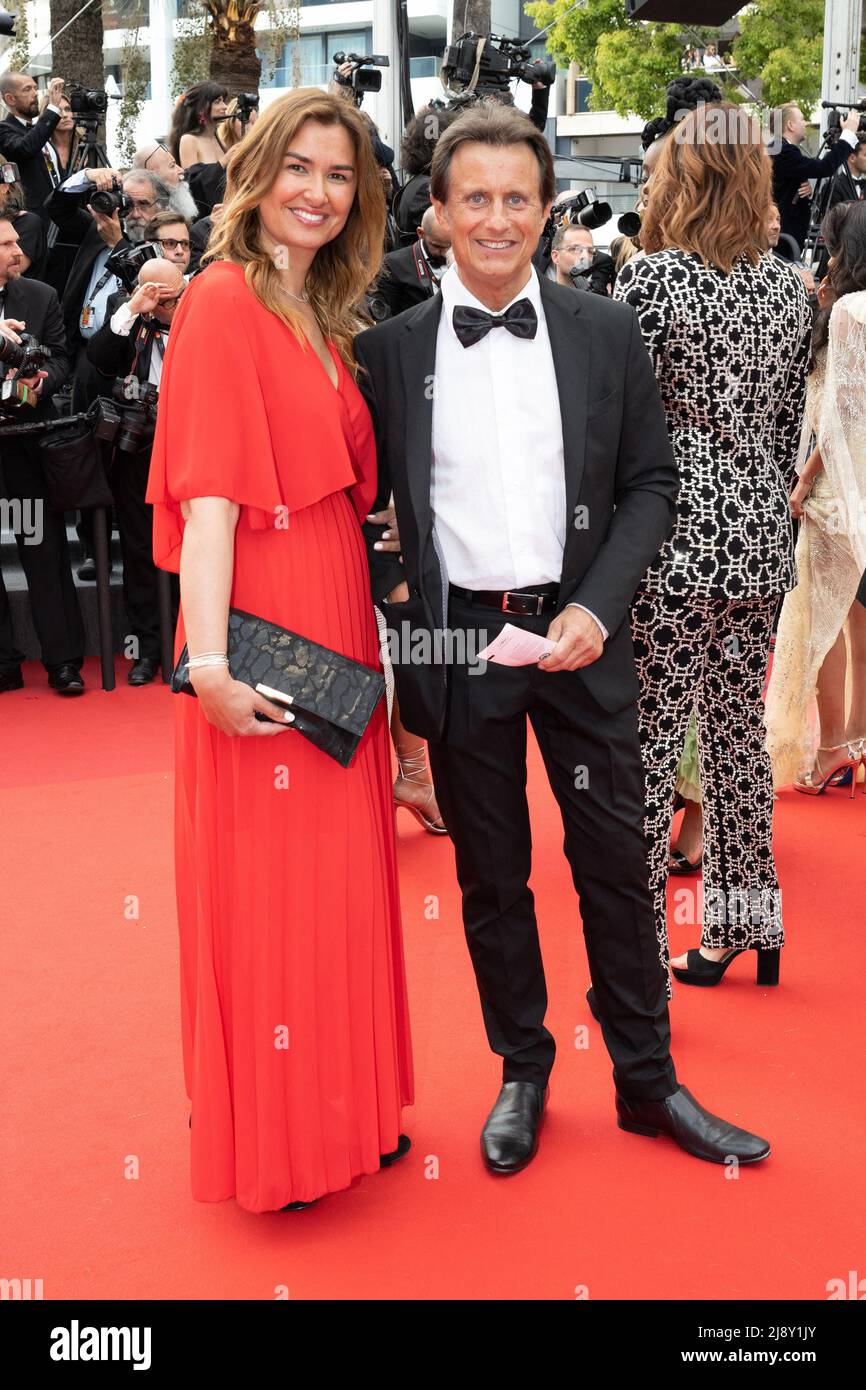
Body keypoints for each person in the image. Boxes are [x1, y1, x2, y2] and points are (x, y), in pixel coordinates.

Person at [357, 99, 771, 1174]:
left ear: (546, 210)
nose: (497, 219)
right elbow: (368, 508)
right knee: (493, 877)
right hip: (460, 653)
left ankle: (647, 1081)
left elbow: (648, 484)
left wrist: (595, 606)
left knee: (615, 870)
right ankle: (522, 1070)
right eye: (475, 199)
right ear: (439, 212)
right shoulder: (388, 350)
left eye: (517, 199)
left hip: (583, 640)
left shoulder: (604, 327)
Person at [145, 88, 414, 1213]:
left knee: (339, 878)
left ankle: (342, 1109)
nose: (316, 190)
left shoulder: (319, 309)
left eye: (338, 175)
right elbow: (208, 500)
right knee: (273, 887)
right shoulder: (217, 300)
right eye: (297, 167)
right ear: (255, 176)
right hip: (259, 615)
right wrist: (207, 665)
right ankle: (283, 1138)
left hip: (333, 600)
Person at [613, 101, 812, 990]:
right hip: (761, 540)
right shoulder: (785, 286)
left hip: (672, 542)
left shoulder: (651, 281)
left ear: (682, 177)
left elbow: (623, 429)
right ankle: (745, 927)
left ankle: (641, 952)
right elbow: (779, 431)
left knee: (651, 740)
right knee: (736, 735)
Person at [765, 200, 866, 792]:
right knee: (857, 617)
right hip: (859, 476)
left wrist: (802, 482)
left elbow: (843, 414)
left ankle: (831, 747)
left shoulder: (851, 310)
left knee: (822, 617)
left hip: (840, 480)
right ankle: (854, 738)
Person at [87, 258, 186, 685]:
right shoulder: (129, 318)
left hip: (193, 446)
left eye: (174, 297)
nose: (168, 307)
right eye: (159, 297)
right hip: (139, 447)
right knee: (141, 548)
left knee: (194, 549)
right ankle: (148, 647)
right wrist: (133, 308)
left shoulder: (201, 314)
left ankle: (191, 647)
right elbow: (100, 359)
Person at [0, 215, 82, 695]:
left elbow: (60, 356)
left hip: (27, 441)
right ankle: (4, 662)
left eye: (15, 240)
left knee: (43, 551)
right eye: (6, 243)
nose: (17, 249)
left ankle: (63, 662)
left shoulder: (40, 295)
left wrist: (40, 378)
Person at [771, 103, 861, 254]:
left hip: (786, 236)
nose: (805, 123)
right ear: (791, 125)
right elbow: (824, 168)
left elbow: (784, 186)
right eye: (802, 119)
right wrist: (849, 134)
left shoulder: (780, 148)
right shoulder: (783, 150)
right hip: (784, 239)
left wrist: (801, 187)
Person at [0, 73, 66, 217]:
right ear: (10, 99)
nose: (35, 93)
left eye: (35, 88)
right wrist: (53, 108)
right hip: (35, 220)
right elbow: (25, 148)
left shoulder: (37, 131)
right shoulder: (4, 129)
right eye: (27, 89)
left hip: (60, 215)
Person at [372, 206, 450, 318]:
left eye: (450, 245)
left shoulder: (466, 258)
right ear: (420, 233)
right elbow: (382, 319)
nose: (445, 253)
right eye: (437, 246)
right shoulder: (392, 265)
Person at [549, 222, 594, 290]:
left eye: (590, 251)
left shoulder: (598, 299)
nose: (586, 257)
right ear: (556, 257)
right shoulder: (540, 297)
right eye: (576, 249)